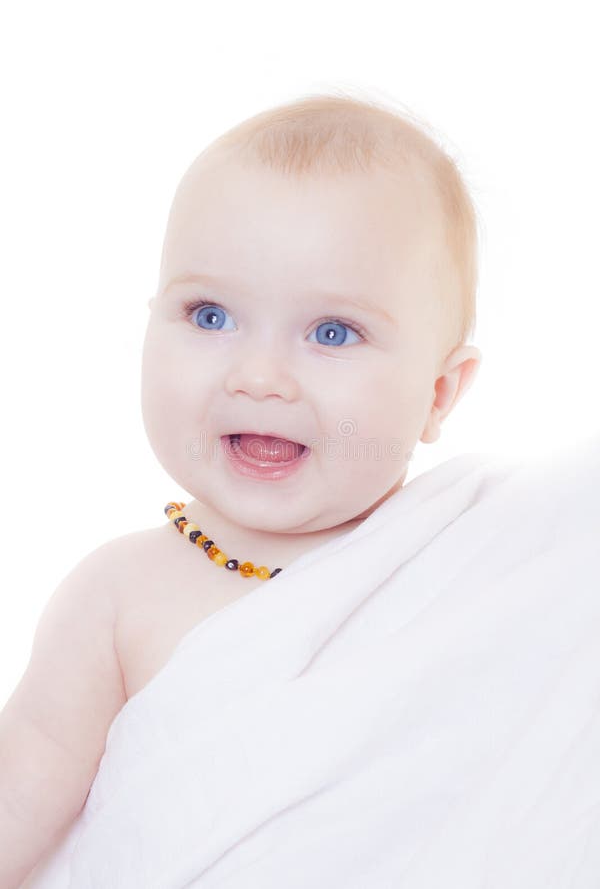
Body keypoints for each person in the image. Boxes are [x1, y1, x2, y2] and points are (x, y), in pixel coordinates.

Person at [2, 92, 599, 888]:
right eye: (209, 315)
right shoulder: (117, 593)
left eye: (332, 333)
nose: (259, 377)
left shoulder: (468, 563)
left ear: (438, 394)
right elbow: (25, 778)